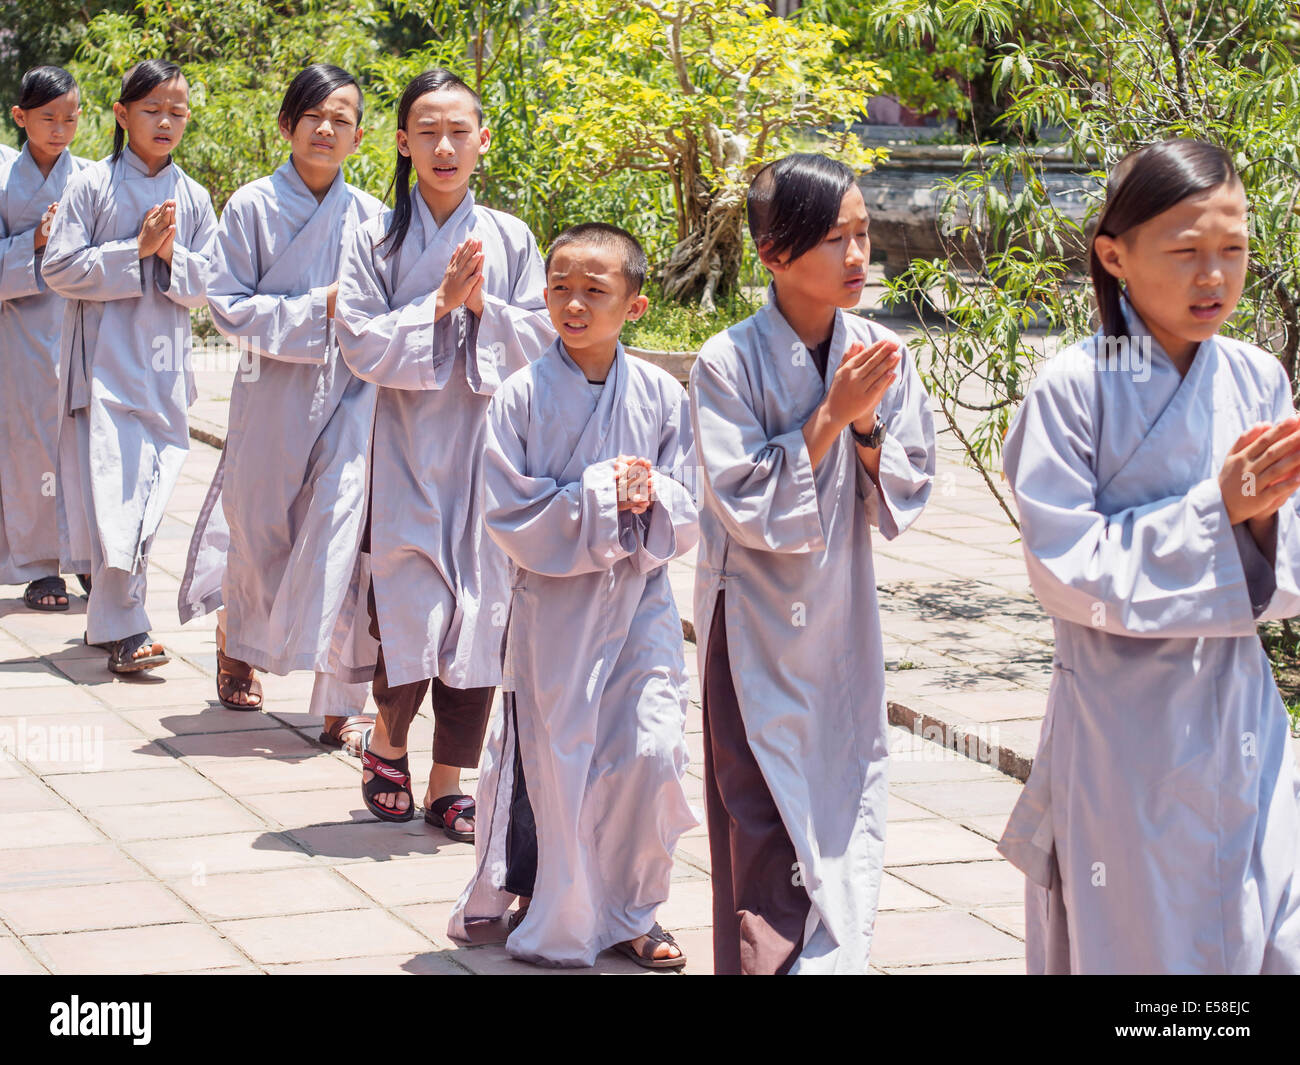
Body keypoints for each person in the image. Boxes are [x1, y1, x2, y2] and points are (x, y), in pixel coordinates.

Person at [998, 138, 1300, 974]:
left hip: (1239, 712)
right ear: (1114, 255)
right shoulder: (1075, 383)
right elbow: (1065, 569)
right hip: (1123, 729)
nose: (1215, 276)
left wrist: (1269, 522)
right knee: (1143, 944)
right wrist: (1220, 510)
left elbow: (1286, 570)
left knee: (1265, 924)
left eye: (1233, 250)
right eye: (1187, 252)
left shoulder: (1257, 377)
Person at [691, 153, 935, 974]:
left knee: (841, 790)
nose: (859, 257)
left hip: (838, 614)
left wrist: (865, 429)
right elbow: (745, 501)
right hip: (753, 616)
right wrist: (831, 415)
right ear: (773, 254)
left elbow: (904, 486)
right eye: (836, 239)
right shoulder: (725, 362)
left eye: (864, 234)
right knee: (757, 810)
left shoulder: (878, 350)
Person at [448, 223, 698, 969]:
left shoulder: (659, 392)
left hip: (639, 603)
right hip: (553, 614)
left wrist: (652, 493)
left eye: (596, 291)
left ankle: (632, 908)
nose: (574, 304)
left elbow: (689, 506)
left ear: (637, 304)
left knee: (651, 751)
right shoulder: (521, 395)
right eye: (560, 287)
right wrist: (597, 494)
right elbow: (506, 511)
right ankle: (558, 905)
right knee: (559, 766)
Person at [335, 69, 554, 835]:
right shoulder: (373, 240)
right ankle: (388, 739)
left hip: (489, 445)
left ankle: (448, 781)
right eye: (427, 131)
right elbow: (358, 341)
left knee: (483, 609)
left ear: (483, 141)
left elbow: (543, 338)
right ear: (402, 142)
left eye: (459, 130)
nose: (444, 145)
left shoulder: (513, 238)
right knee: (410, 602)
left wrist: (483, 304)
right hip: (403, 442)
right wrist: (435, 305)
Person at [177, 64, 378, 754]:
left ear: (359, 136)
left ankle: (340, 699)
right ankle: (239, 639)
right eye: (313, 116)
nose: (327, 129)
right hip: (271, 391)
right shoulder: (254, 205)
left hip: (352, 394)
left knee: (341, 536)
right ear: (288, 124)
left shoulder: (376, 217)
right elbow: (228, 308)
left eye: (342, 119)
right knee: (260, 533)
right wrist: (315, 307)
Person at [42, 58, 216, 674]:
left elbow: (209, 288)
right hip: (104, 371)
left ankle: (109, 623)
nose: (166, 121)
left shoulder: (193, 197)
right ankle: (127, 628)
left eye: (177, 112)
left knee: (148, 497)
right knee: (119, 499)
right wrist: (132, 252)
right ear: (122, 115)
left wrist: (170, 257)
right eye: (152, 110)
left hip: (164, 373)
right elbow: (57, 269)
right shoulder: (92, 187)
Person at [0, 66, 88, 611]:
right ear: (20, 117)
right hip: (18, 326)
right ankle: (38, 567)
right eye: (48, 118)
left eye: (71, 118)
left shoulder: (92, 178)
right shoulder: (4, 177)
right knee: (31, 444)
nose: (60, 129)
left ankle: (87, 559)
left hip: (82, 321)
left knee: (83, 446)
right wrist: (31, 240)